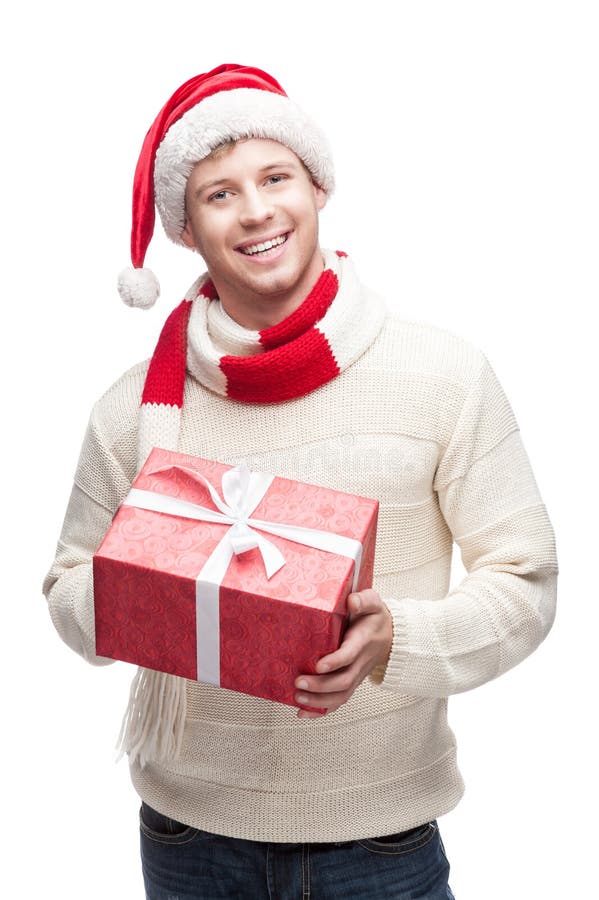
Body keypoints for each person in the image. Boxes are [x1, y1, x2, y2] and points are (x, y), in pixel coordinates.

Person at [43, 64, 558, 899]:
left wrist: (399, 638)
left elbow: (526, 583)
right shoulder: (132, 411)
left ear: (317, 187)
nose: (254, 212)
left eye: (274, 178)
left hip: (380, 846)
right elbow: (67, 591)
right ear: (184, 229)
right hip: (188, 840)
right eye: (217, 194)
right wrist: (144, 591)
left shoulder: (440, 376)